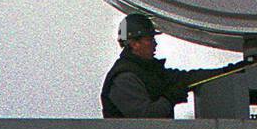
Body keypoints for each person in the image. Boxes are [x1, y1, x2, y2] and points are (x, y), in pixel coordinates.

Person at [101, 13, 244, 118]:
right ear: (134, 43)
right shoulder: (124, 78)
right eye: (149, 39)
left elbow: (188, 78)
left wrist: (229, 71)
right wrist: (169, 99)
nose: (154, 44)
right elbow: (145, 119)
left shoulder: (150, 71)